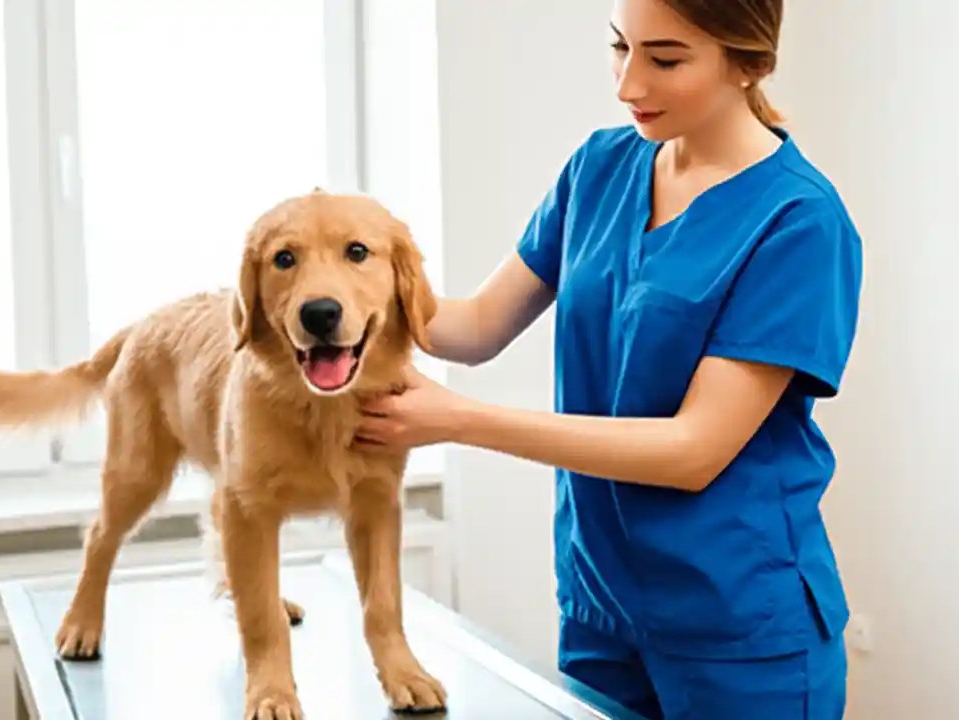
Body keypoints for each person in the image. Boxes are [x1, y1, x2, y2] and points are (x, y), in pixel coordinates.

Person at [355, 0, 863, 717]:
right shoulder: (600, 167)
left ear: (748, 60)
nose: (628, 85)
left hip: (739, 629)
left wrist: (457, 422)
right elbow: (470, 328)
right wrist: (343, 271)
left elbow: (694, 450)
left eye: (665, 59)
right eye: (619, 48)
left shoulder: (797, 221)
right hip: (601, 609)